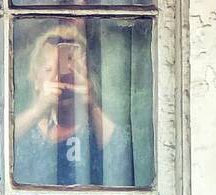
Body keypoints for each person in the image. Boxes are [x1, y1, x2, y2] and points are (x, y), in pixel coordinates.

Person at [14, 21, 130, 186]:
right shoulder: (25, 130)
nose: (59, 78)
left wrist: (90, 106)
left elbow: (121, 153)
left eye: (72, 71)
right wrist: (38, 110)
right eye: (49, 70)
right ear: (36, 80)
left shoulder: (97, 130)